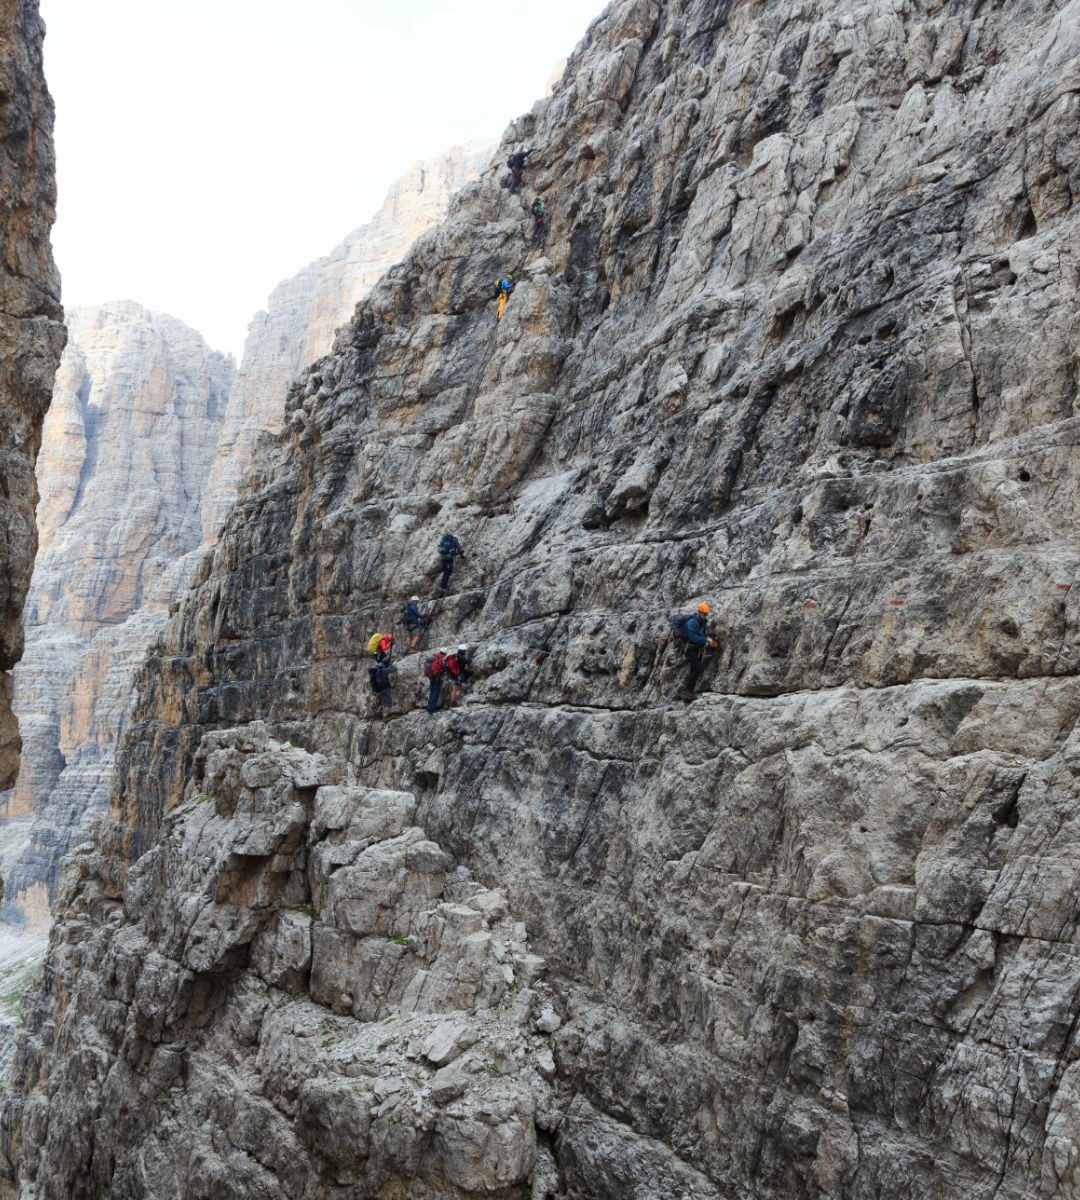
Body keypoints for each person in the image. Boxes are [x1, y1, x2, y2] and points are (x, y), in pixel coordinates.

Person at [684, 602, 717, 693]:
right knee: (698, 669)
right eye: (704, 614)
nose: (705, 616)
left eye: (706, 614)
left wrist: (708, 639)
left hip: (696, 648)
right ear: (699, 612)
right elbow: (692, 637)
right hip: (689, 648)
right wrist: (706, 640)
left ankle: (688, 691)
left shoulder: (702, 622)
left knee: (694, 670)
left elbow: (701, 635)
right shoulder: (692, 622)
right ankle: (687, 691)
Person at [424, 648, 449, 714]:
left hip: (431, 676)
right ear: (445, 653)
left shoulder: (433, 656)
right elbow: (443, 667)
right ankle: (432, 709)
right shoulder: (441, 658)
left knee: (432, 692)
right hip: (437, 677)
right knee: (436, 693)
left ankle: (429, 708)